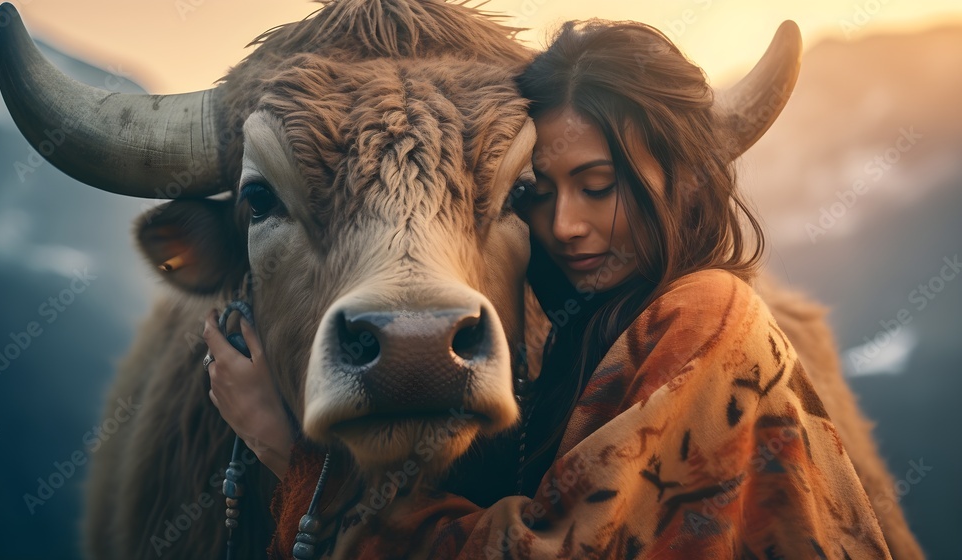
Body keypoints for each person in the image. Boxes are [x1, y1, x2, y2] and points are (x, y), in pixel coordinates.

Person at [203, 19, 892, 559]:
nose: (564, 226)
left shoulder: (705, 317)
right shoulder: (593, 327)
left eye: (599, 187)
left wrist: (294, 460)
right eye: (536, 193)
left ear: (683, 186)